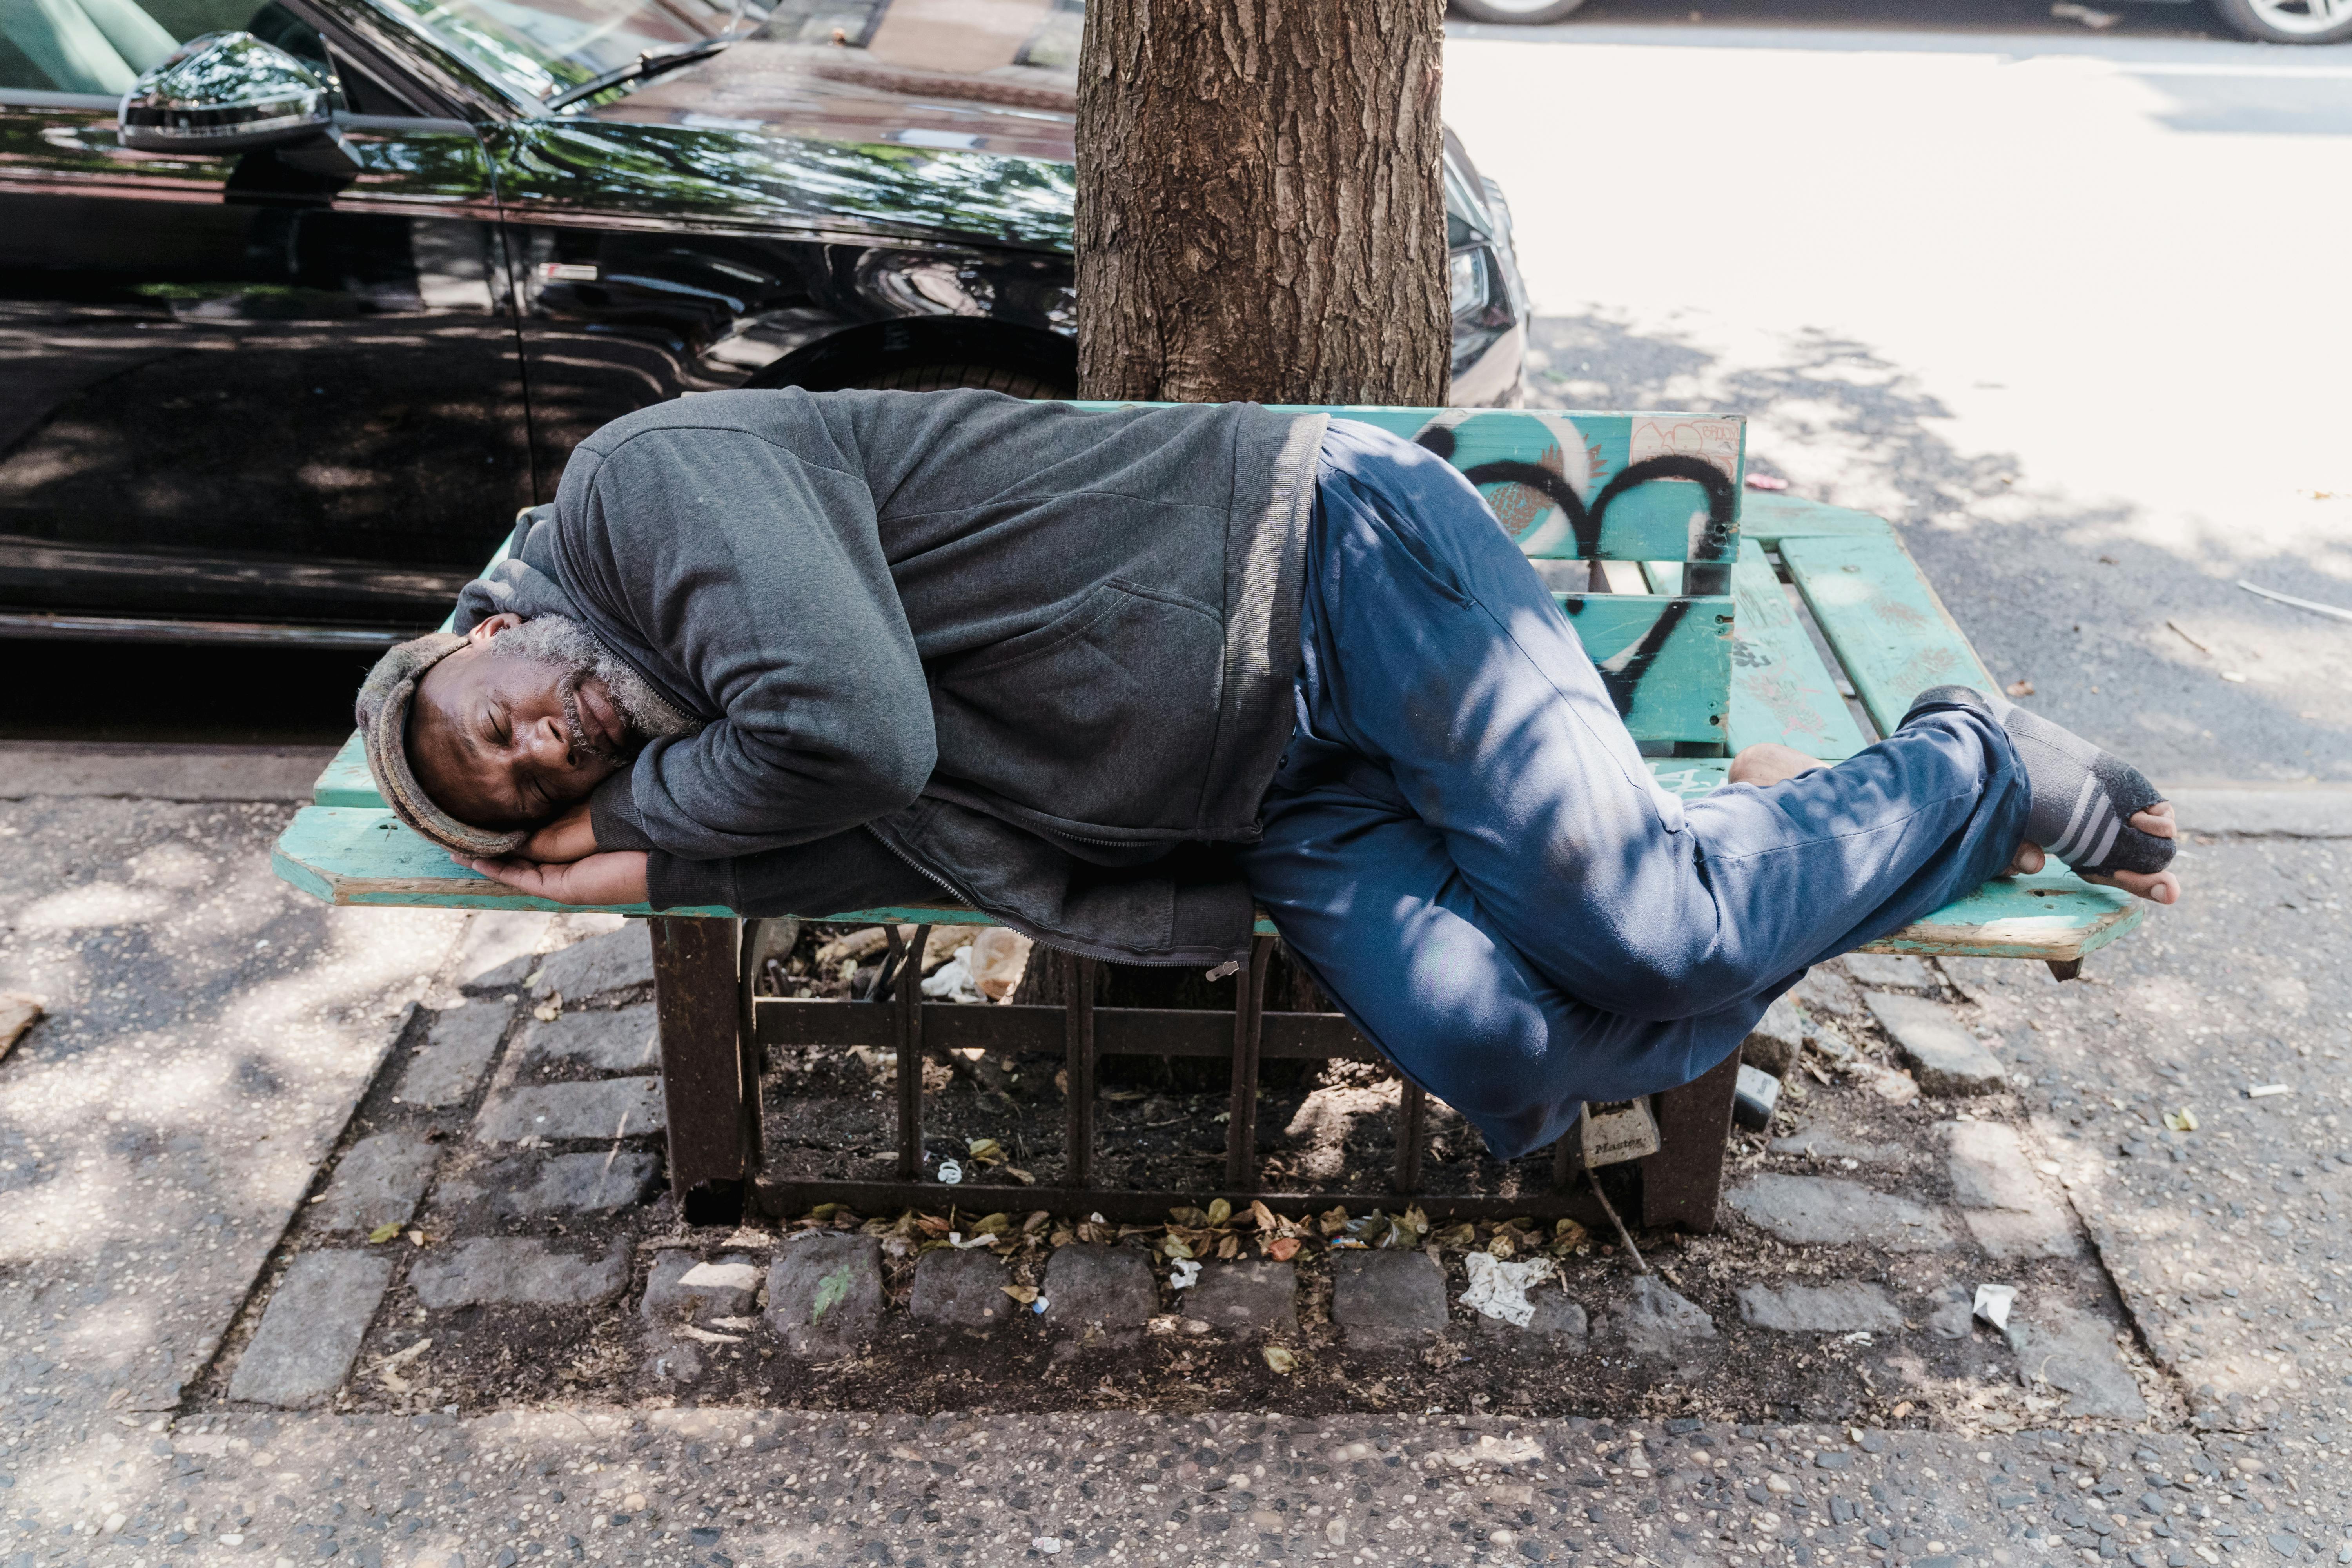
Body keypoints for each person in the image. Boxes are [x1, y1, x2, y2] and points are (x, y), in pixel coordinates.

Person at [355, 390, 2179, 1158]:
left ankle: (1971, 757)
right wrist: (674, 853)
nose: (540, 743)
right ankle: (1778, 836)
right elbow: (843, 795)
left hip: (1332, 571)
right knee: (1505, 1058)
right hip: (1264, 793)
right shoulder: (708, 717)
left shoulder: (643, 489)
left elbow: (865, 733)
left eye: (495, 717)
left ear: (471, 634)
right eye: (521, 781)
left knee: (1649, 933)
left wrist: (647, 829)